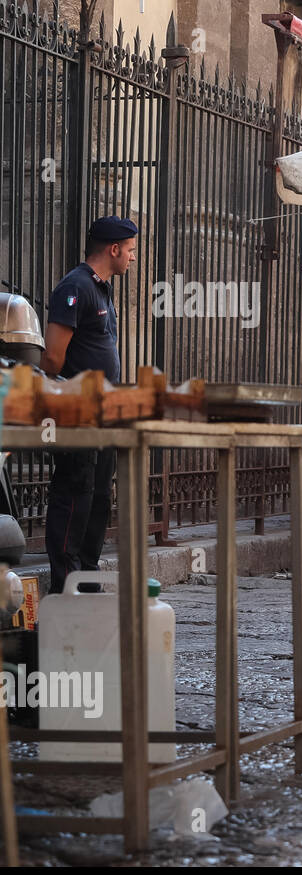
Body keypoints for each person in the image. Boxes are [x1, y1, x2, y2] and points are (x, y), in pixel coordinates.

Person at [42, 215, 136, 593]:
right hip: (77, 415)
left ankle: (88, 577)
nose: (132, 257)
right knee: (74, 495)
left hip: (103, 416)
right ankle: (66, 587)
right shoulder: (75, 287)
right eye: (130, 251)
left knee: (98, 497)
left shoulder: (102, 289)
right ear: (113, 249)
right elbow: (51, 359)